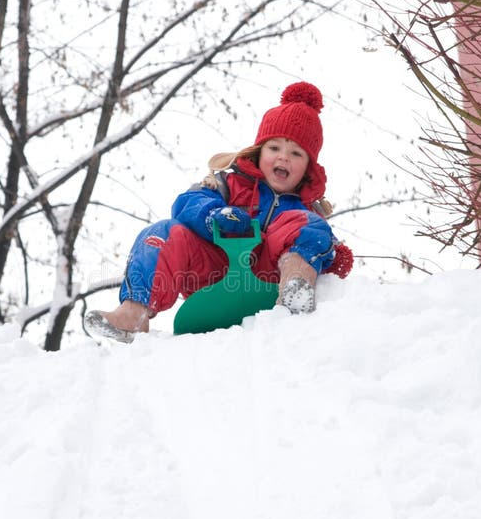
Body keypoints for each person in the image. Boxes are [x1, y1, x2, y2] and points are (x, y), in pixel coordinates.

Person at [85, 81, 353, 342]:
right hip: (214, 273)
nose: (283, 157)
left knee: (307, 224)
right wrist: (213, 214)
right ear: (259, 152)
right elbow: (187, 203)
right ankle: (133, 313)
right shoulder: (227, 184)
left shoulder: (306, 211)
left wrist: (331, 256)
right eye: (274, 148)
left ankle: (296, 288)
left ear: (307, 167)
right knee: (162, 232)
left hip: (268, 282)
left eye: (296, 153)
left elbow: (324, 246)